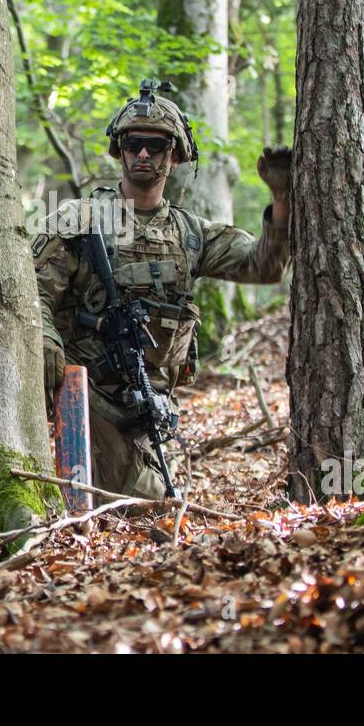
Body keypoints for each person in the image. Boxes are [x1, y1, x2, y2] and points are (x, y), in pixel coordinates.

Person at [33, 85, 292, 499]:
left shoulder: (191, 234)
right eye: (133, 144)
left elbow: (264, 267)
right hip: (88, 394)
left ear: (174, 156)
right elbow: (34, 293)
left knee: (144, 502)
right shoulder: (79, 221)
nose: (142, 155)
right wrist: (45, 340)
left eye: (155, 146)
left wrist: (281, 199)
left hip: (149, 401)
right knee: (141, 504)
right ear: (118, 151)